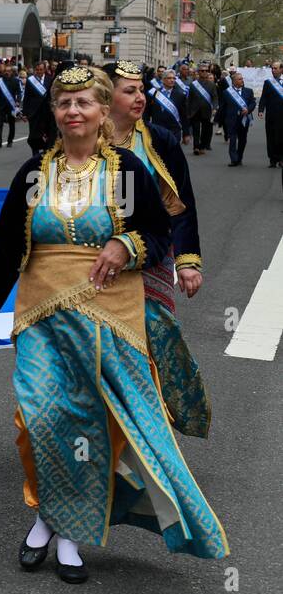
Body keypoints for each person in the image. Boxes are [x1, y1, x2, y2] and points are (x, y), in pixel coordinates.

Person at [0, 66, 226, 583]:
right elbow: (6, 247)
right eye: (64, 104)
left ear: (103, 112)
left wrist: (124, 245)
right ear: (54, 113)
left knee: (89, 423)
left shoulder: (123, 170)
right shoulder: (35, 173)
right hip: (41, 314)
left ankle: (66, 531)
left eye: (83, 103)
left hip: (107, 314)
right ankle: (48, 514)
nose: (73, 112)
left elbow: (155, 230)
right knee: (37, 417)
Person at [105, 59, 209, 438]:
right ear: (106, 95)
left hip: (152, 257)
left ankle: (147, 428)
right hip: (97, 261)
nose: (140, 98)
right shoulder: (79, 140)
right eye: (128, 90)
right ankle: (107, 430)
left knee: (150, 339)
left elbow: (183, 203)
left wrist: (188, 262)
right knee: (103, 346)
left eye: (141, 90)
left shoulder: (161, 140)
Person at [219, 71, 255, 167]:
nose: (242, 80)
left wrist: (248, 110)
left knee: (242, 140)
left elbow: (253, 103)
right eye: (240, 79)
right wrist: (218, 120)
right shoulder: (227, 93)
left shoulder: (249, 91)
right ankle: (233, 159)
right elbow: (222, 107)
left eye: (242, 79)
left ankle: (239, 157)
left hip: (244, 120)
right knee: (233, 139)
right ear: (234, 81)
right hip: (231, 120)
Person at [22, 60, 55, 156]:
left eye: (41, 69)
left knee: (46, 133)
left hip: (47, 112)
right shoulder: (30, 80)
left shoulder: (50, 80)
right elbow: (26, 97)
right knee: (34, 134)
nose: (39, 72)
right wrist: (25, 113)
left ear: (44, 70)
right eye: (37, 70)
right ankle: (35, 153)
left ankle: (46, 151)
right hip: (34, 112)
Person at [186, 67, 218, 156]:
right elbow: (189, 99)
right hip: (195, 111)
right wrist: (188, 111)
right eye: (202, 71)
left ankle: (202, 146)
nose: (204, 72)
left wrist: (215, 108)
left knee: (205, 130)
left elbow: (215, 97)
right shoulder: (193, 85)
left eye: (206, 71)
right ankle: (196, 147)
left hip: (207, 110)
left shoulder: (212, 85)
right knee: (196, 130)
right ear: (198, 72)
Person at [257, 60, 283, 168]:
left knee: (281, 137)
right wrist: (261, 110)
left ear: (281, 69)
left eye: (276, 68)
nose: (273, 70)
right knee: (271, 137)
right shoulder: (268, 83)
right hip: (271, 115)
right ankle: (272, 159)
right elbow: (263, 98)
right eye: (272, 68)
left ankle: (281, 158)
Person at [0, 62, 21, 147]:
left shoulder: (16, 81)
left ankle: (10, 140)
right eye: (5, 71)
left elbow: (19, 92)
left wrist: (18, 101)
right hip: (1, 105)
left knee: (11, 124)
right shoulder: (0, 81)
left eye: (8, 71)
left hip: (11, 106)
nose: (7, 72)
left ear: (12, 72)